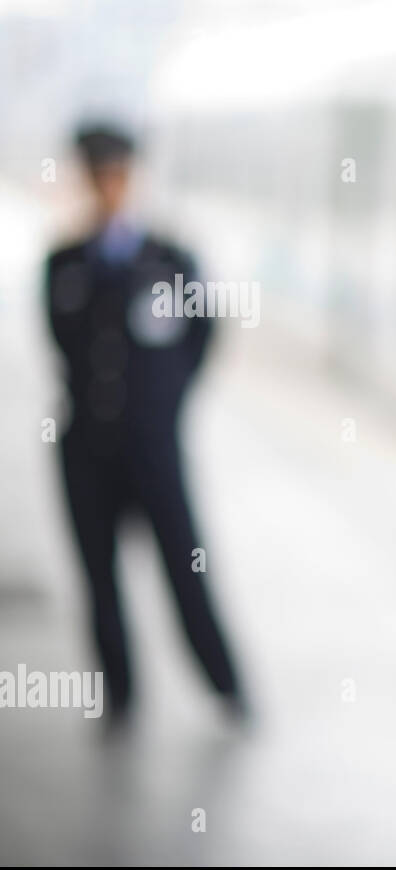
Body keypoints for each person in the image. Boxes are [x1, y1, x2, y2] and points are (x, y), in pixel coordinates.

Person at [44, 121, 248, 733]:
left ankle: (226, 685)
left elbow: (203, 336)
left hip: (154, 449)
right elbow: (61, 342)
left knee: (185, 568)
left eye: (118, 175)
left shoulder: (171, 260)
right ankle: (121, 698)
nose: (109, 187)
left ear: (132, 179)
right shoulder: (64, 262)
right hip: (88, 453)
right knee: (100, 581)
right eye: (98, 176)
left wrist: (166, 404)